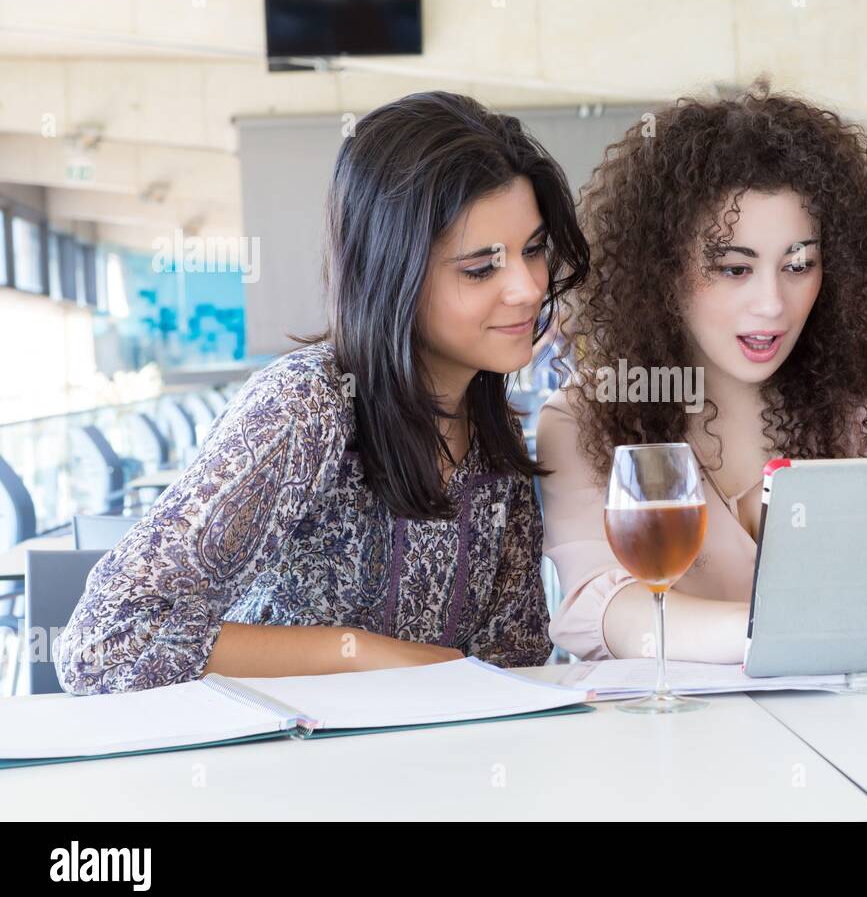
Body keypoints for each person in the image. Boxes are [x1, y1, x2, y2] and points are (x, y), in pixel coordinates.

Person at [55, 91, 589, 694]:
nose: (527, 287)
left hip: (430, 774)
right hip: (280, 773)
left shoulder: (493, 431)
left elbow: (511, 667)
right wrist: (355, 652)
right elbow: (105, 644)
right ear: (393, 274)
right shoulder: (306, 407)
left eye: (534, 249)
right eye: (480, 268)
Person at [538, 83, 867, 665]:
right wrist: (791, 635)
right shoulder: (586, 418)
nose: (772, 303)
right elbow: (605, 611)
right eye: (734, 268)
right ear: (661, 271)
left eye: (799, 265)